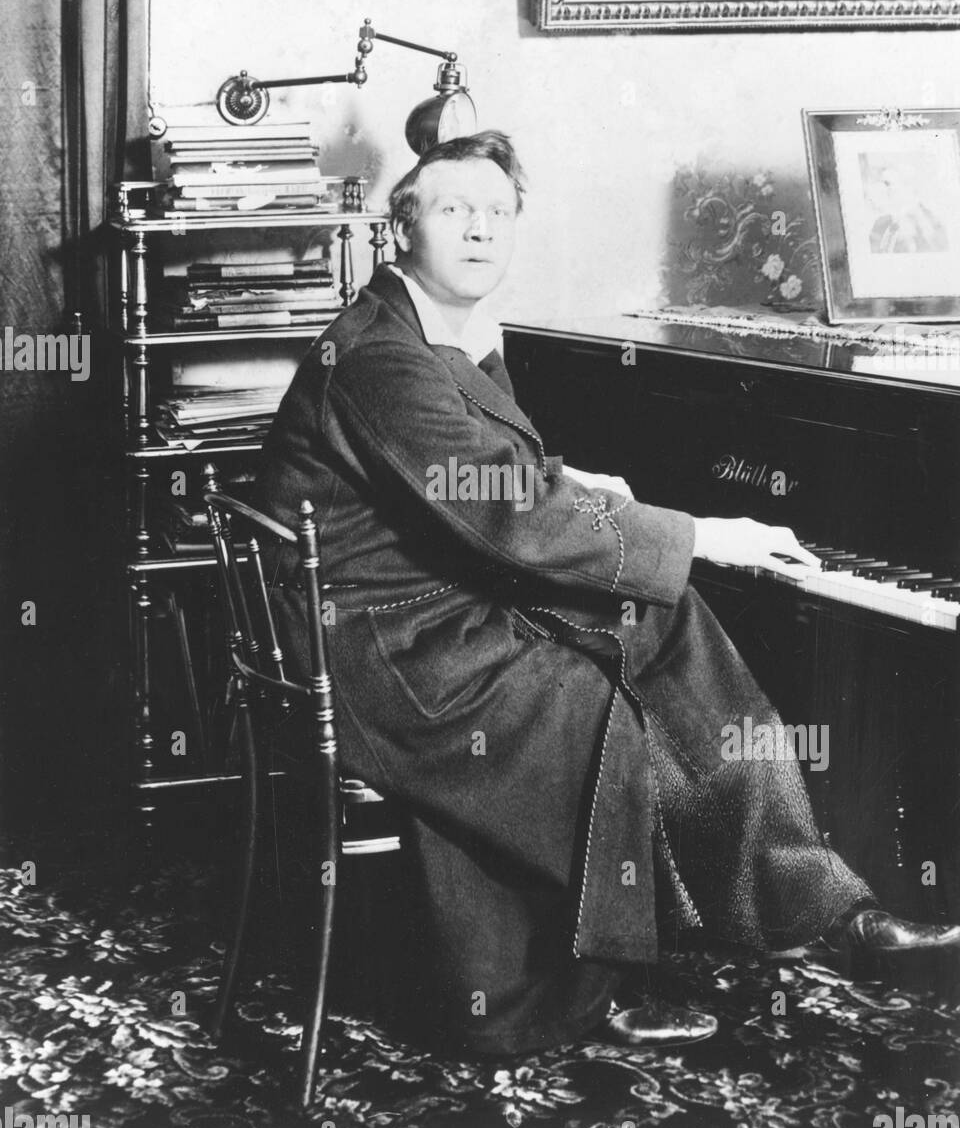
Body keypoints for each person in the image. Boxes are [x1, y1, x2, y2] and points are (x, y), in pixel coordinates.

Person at [255, 131, 960, 1058]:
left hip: (426, 609)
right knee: (597, 712)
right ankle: (598, 980)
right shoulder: (385, 357)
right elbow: (512, 516)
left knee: (662, 620)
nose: (480, 231)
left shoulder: (431, 330)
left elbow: (507, 477)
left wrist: (597, 493)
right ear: (403, 229)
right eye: (455, 210)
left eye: (498, 213)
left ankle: (812, 906)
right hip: (386, 652)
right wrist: (707, 535)